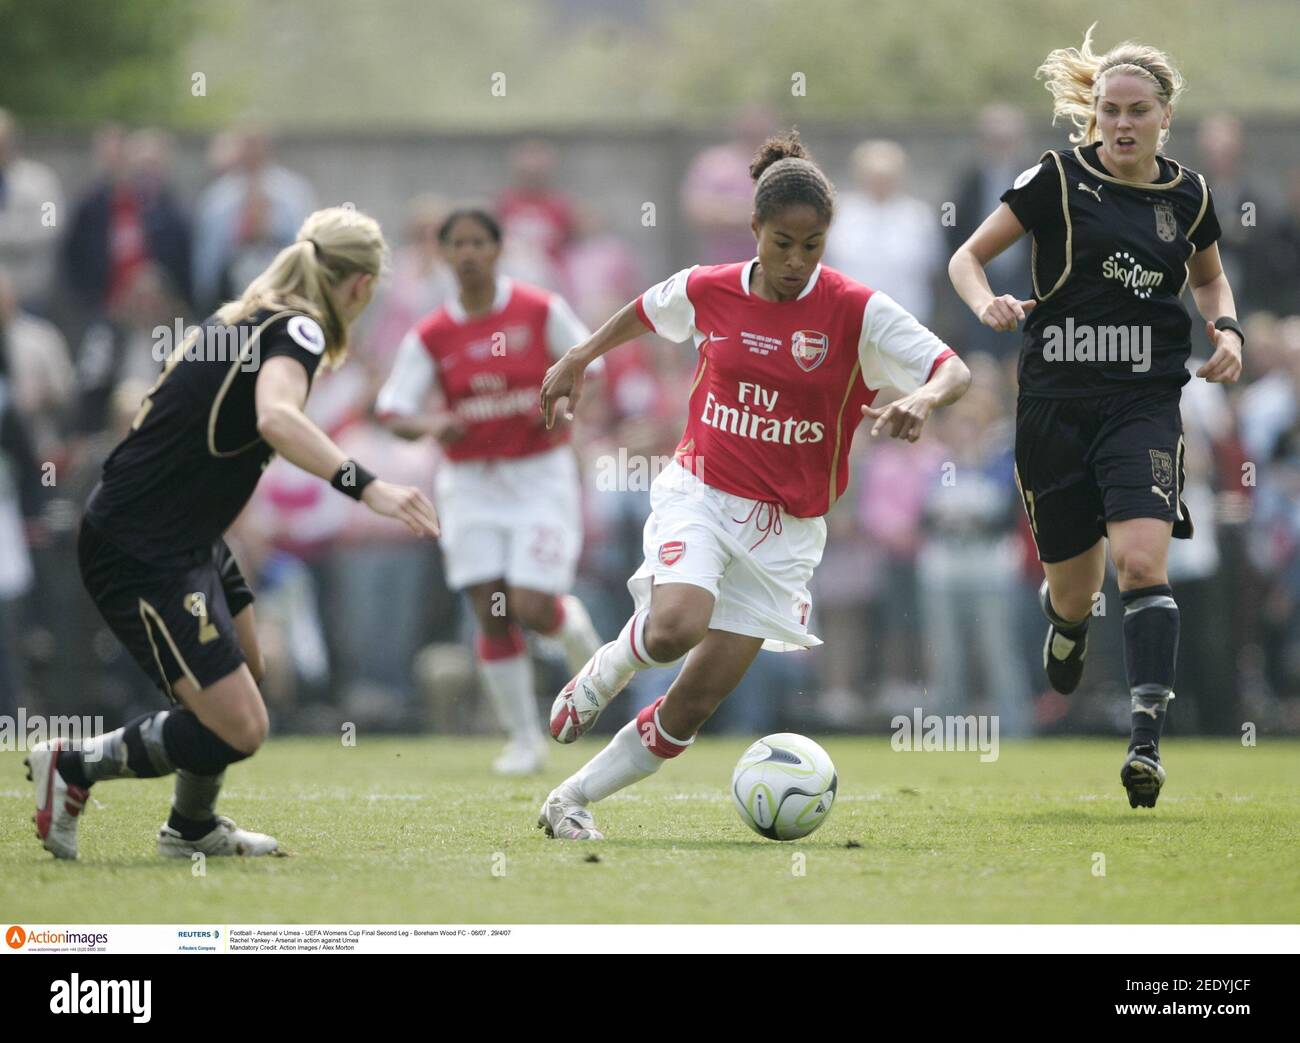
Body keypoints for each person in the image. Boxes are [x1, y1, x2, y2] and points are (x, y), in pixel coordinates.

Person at [536, 130, 970, 840]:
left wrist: (921, 399)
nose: (797, 261)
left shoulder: (857, 309)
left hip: (790, 529)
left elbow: (953, 367)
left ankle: (571, 799)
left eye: (813, 245)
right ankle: (602, 672)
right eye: (782, 243)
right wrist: (580, 355)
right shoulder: (712, 287)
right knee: (676, 625)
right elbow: (646, 309)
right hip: (701, 491)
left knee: (694, 703)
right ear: (755, 231)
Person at [26, 206, 440, 860]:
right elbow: (276, 417)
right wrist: (372, 485)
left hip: (183, 535)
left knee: (251, 666)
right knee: (242, 725)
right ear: (360, 286)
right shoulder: (298, 327)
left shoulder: (245, 314)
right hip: (143, 544)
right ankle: (73, 764)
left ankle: (191, 828)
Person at [948, 24, 1244, 808]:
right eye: (1109, 109)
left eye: (1136, 110)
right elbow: (965, 258)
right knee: (1074, 592)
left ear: (1163, 117)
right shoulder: (1054, 178)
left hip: (1145, 403)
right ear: (1094, 115)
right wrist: (988, 304)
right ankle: (1068, 625)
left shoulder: (1190, 195)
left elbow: (1210, 281)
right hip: (1054, 408)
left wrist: (1229, 329)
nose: (1120, 123)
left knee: (1143, 565)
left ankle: (1146, 741)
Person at [376, 208, 602, 775]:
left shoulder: (538, 309)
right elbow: (393, 410)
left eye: (479, 242)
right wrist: (434, 426)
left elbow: (587, 364)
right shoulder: (432, 334)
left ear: (498, 250)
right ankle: (526, 741)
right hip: (471, 484)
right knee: (491, 611)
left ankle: (575, 636)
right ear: (445, 255)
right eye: (458, 244)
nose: (469, 253)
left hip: (538, 475)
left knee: (528, 604)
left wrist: (569, 403)